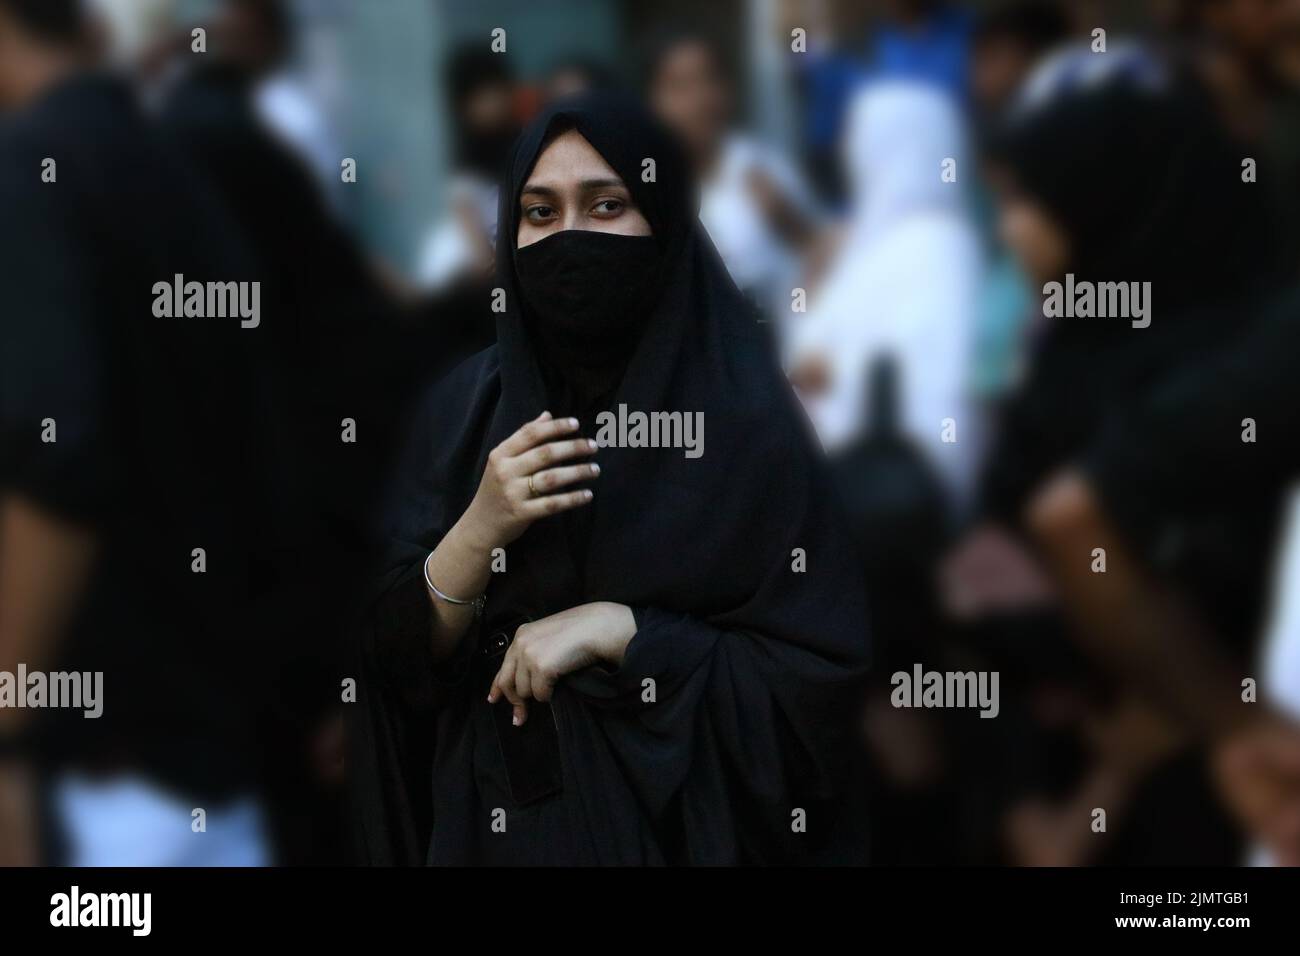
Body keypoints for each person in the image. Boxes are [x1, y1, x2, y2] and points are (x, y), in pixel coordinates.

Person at [355, 93, 869, 866]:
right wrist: (480, 528)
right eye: (539, 211)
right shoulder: (465, 412)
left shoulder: (748, 420)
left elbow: (819, 687)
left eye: (606, 205)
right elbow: (393, 669)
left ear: (662, 222)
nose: (570, 237)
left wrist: (627, 634)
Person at [0, 0, 285, 865]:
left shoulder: (29, 168)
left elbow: (58, 458)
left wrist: (5, 736)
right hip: (212, 776)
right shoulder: (176, 170)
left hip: (96, 797)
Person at [787, 81, 983, 511]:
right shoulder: (868, 244)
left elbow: (925, 381)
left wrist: (828, 368)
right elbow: (806, 356)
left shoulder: (936, 247)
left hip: (894, 488)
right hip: (854, 473)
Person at [645, 28, 823, 325]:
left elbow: (825, 262)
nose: (698, 99)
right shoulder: (646, 182)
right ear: (654, 100)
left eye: (708, 79)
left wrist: (792, 226)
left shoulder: (764, 170)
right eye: (679, 86)